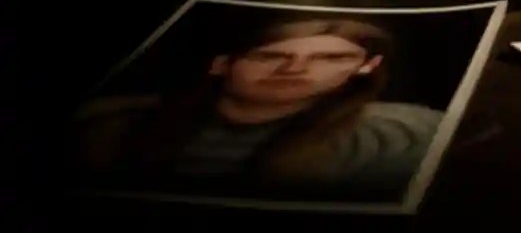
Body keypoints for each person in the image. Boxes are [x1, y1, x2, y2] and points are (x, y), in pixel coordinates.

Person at [73, 18, 442, 202]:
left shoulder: (401, 135)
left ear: (366, 66)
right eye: (270, 55)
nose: (294, 69)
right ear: (221, 64)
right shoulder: (112, 129)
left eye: (331, 57)